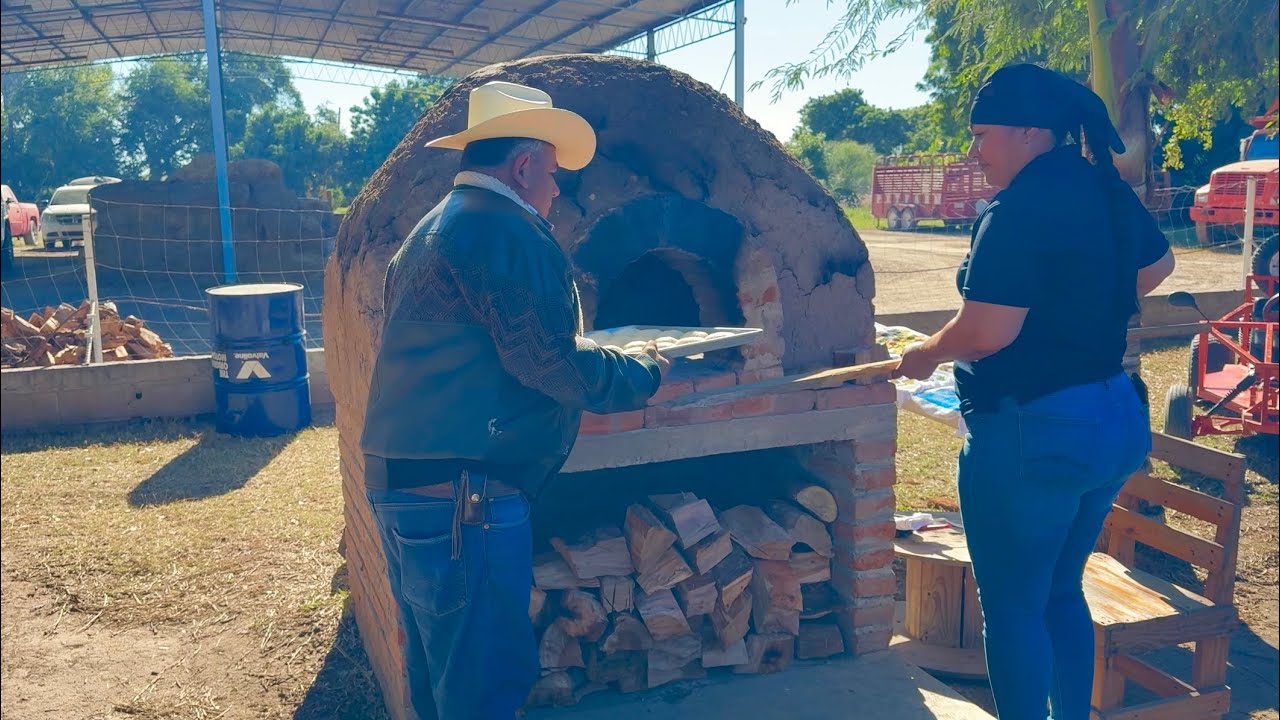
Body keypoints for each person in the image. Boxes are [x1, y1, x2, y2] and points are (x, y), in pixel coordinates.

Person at [360, 81, 669, 720]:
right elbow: (550, 363)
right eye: (553, 174)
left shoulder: (432, 228)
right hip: (462, 500)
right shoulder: (502, 230)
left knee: (440, 677)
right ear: (523, 165)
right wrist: (641, 372)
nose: (557, 191)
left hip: (410, 487)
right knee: (486, 685)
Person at [894, 63, 1176, 720]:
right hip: (1113, 418)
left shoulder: (1018, 208)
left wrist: (922, 355)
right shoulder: (1101, 188)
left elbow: (987, 332)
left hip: (1038, 433)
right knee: (1058, 592)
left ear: (1029, 132)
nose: (973, 152)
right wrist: (1078, 307)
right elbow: (1158, 266)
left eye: (982, 134)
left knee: (1015, 607)